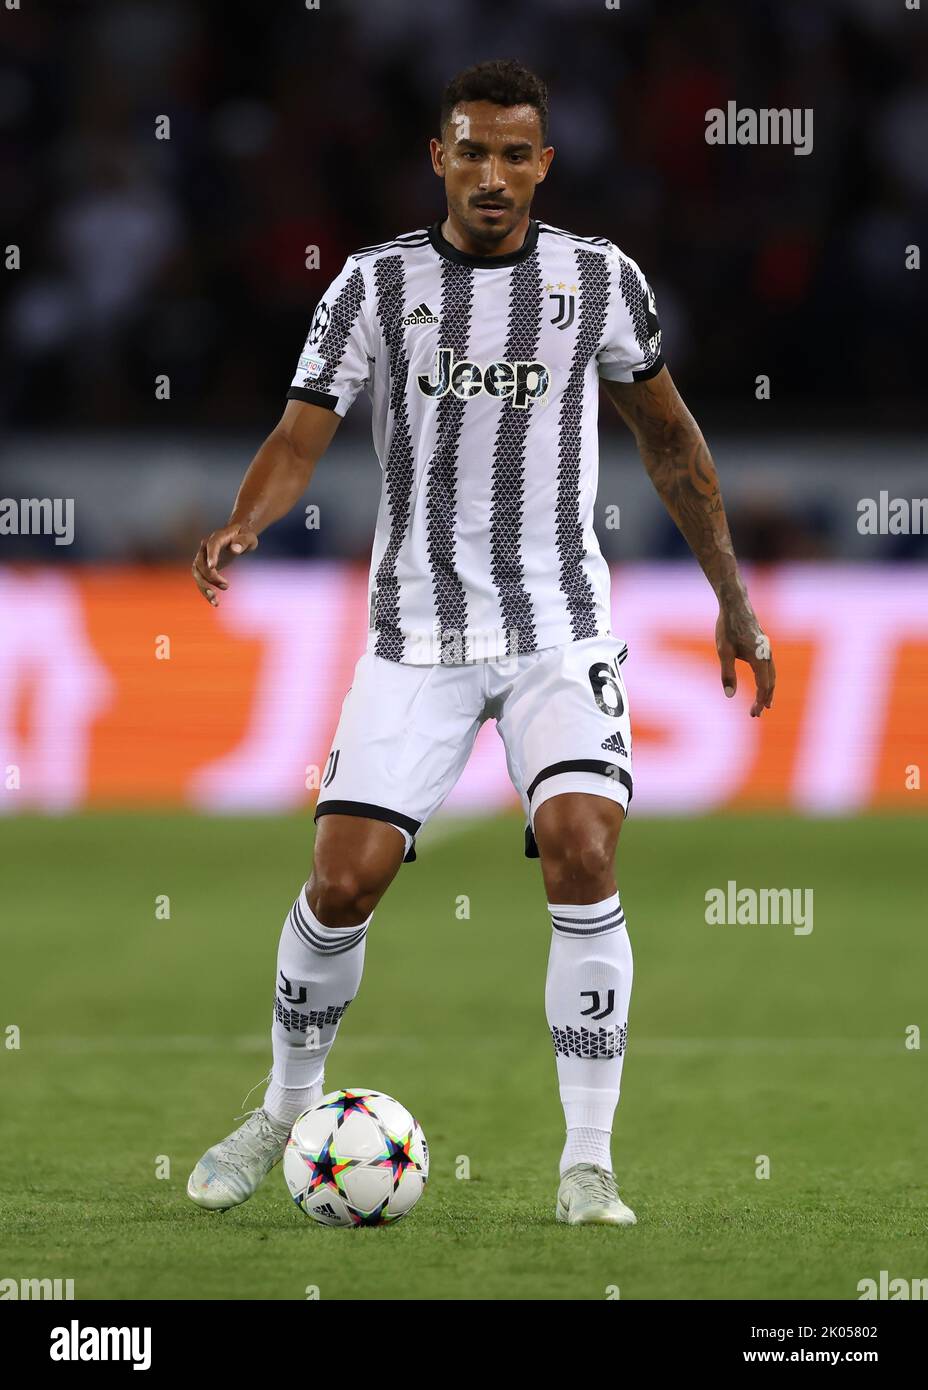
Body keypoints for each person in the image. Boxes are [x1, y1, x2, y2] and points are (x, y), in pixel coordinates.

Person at [188, 58, 775, 1226]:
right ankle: (280, 1107)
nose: (494, 175)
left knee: (583, 851)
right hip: (415, 633)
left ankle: (587, 1163)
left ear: (543, 166)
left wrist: (732, 597)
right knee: (342, 882)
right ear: (439, 159)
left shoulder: (598, 281)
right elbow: (302, 434)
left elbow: (671, 442)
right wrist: (247, 519)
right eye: (474, 151)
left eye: (516, 155)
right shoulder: (372, 285)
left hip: (560, 624)